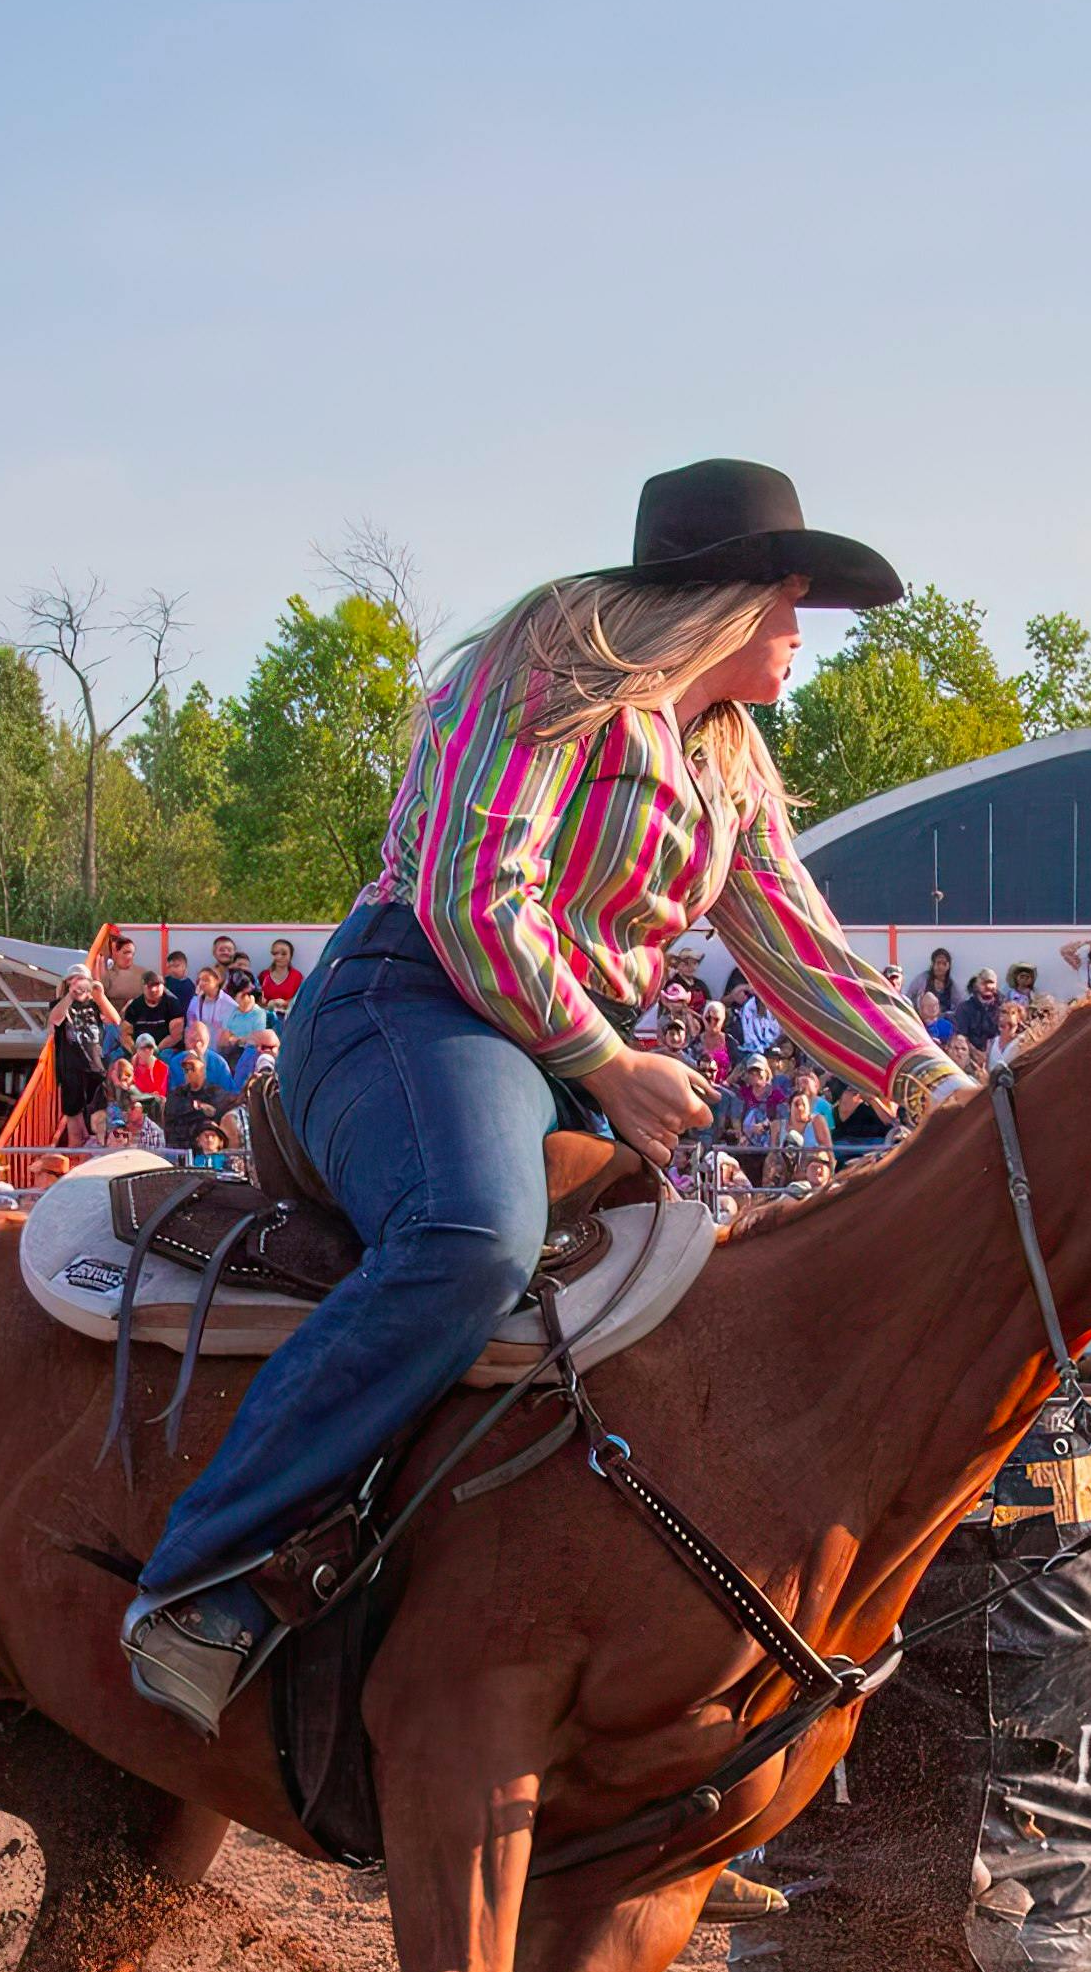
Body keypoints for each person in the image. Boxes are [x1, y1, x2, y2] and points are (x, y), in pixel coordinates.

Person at [117, 462, 955, 1730]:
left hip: (554, 1048)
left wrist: (939, 1091)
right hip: (414, 1003)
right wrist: (606, 1063)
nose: (801, 631)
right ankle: (204, 1578)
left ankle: (622, 1737)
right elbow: (470, 896)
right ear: (720, 602)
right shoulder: (550, 672)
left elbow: (805, 950)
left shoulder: (726, 761)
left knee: (670, 1328)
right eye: (790, 598)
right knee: (472, 1237)